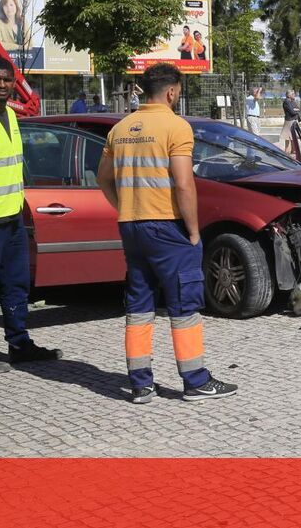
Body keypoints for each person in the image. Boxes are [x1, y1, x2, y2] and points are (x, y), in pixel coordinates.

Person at [95, 63, 237, 403]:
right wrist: (192, 231)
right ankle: (195, 381)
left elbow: (102, 177)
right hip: (167, 227)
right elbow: (184, 184)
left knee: (139, 305)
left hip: (132, 226)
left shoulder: (122, 128)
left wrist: (124, 207)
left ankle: (140, 383)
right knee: (184, 305)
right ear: (172, 91)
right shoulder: (176, 126)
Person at [0, 58, 63, 373]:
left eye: (7, 80)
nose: (2, 84)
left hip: (12, 222)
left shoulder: (11, 115)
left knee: (16, 285)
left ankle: (19, 343)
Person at [281, 90, 301, 161]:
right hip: (289, 121)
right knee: (288, 139)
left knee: (293, 139)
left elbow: (298, 109)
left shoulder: (292, 101)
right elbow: (292, 112)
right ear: (289, 95)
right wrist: (295, 110)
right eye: (292, 94)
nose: (294, 95)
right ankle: (287, 154)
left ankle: (294, 152)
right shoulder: (286, 102)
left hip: (293, 121)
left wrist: (295, 109)